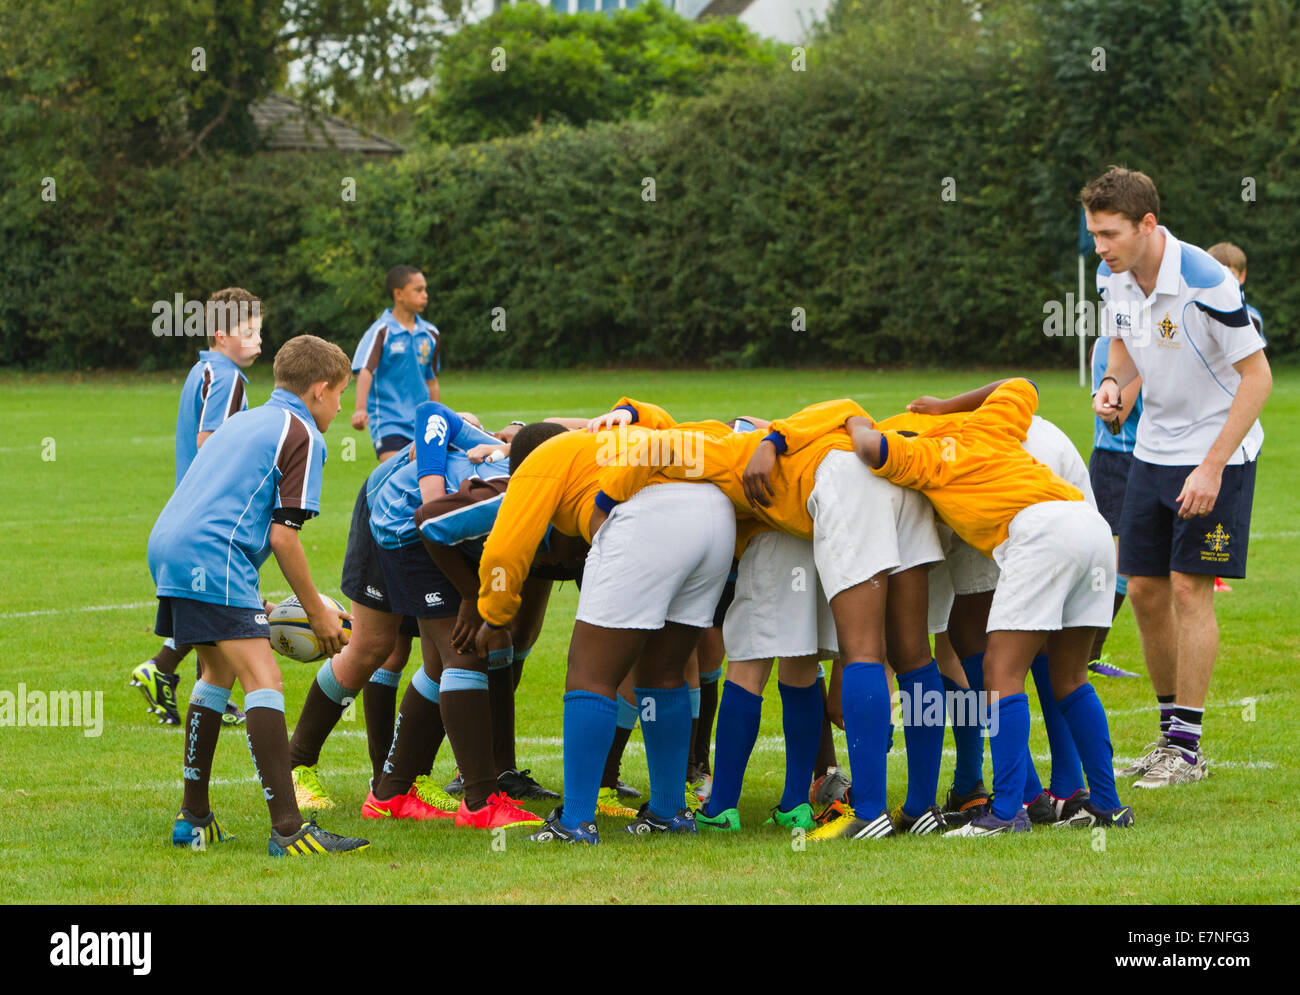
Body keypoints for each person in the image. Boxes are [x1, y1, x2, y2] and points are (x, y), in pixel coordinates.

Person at [849, 378, 1132, 836]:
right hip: (1091, 527)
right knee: (1072, 677)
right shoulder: (990, 425)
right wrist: (946, 403)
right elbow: (1021, 383)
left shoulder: (922, 458)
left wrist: (853, 420)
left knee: (1001, 672)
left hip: (1041, 535)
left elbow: (869, 447)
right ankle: (1108, 804)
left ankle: (1005, 813)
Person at [147, 334, 368, 856]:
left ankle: (194, 820)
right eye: (340, 394)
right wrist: (317, 611)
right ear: (319, 390)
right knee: (263, 678)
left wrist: (251, 600)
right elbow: (282, 534)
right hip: (211, 554)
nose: (340, 405)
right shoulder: (304, 432)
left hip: (170, 547)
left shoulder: (245, 419)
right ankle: (289, 831)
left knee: (216, 673)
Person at [1087, 167, 1271, 788]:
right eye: (1093, 234)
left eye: (1109, 234)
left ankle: (1187, 750)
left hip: (1221, 450)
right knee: (1141, 589)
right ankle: (1170, 737)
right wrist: (1115, 385)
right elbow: (1124, 348)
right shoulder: (1111, 277)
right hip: (1153, 448)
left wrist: (1213, 466)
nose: (1099, 247)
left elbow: (1258, 378)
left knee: (1190, 589)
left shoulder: (1206, 282)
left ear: (1146, 225)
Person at [474, 413, 738, 844]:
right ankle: (669, 810)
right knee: (664, 673)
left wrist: (495, 614)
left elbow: (506, 547)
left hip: (647, 519)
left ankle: (575, 820)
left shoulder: (542, 458)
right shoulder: (607, 440)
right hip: (714, 517)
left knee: (590, 674)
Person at [131, 287, 261, 729]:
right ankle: (172, 671)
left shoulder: (203, 368)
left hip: (191, 508)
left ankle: (173, 672)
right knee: (229, 601)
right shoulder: (227, 376)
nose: (258, 339)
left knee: (210, 601)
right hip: (213, 513)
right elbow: (212, 441)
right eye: (249, 330)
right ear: (222, 334)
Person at [1084, 334, 1143, 676]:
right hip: (1120, 460)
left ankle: (1087, 651)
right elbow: (1117, 414)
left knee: (1129, 562)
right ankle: (1087, 650)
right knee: (1121, 562)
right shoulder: (1119, 343)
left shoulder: (1118, 339)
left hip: (1136, 460)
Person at [351, 265, 441, 461]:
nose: (425, 295)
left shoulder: (430, 334)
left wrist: (437, 416)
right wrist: (360, 409)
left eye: (425, 289)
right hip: (388, 421)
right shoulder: (381, 332)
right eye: (418, 290)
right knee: (396, 472)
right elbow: (365, 370)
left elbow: (431, 380)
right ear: (399, 294)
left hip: (421, 422)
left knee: (424, 478)